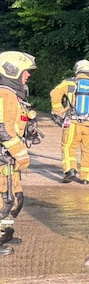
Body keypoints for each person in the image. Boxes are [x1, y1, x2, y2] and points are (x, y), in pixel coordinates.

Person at [0, 51, 36, 256]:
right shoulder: (4, 94)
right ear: (11, 70)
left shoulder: (11, 95)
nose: (28, 75)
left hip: (8, 159)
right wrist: (20, 152)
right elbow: (1, 129)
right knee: (3, 200)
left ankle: (4, 233)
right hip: (3, 158)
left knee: (15, 199)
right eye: (25, 71)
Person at [50, 59, 89, 184]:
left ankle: (70, 169)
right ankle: (86, 177)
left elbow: (54, 93)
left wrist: (58, 110)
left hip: (72, 124)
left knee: (68, 146)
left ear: (77, 70)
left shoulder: (68, 83)